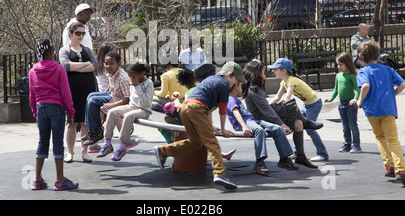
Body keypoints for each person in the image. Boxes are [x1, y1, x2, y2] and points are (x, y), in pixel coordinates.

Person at [154, 61, 246, 190]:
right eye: (236, 80)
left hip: (185, 108)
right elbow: (222, 110)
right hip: (196, 108)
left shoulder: (211, 80)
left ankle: (165, 151)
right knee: (212, 142)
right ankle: (220, 173)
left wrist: (210, 126)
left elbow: (206, 108)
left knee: (196, 141)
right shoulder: (224, 85)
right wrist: (224, 128)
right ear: (230, 75)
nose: (235, 84)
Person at [243, 60, 320, 169]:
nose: (265, 75)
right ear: (257, 74)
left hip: (266, 115)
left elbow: (267, 105)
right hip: (262, 118)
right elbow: (266, 110)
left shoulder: (257, 87)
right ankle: (306, 122)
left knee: (298, 123)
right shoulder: (254, 89)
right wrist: (281, 124)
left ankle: (301, 156)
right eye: (263, 73)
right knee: (292, 104)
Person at [29, 39, 78, 191]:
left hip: (41, 107)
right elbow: (66, 93)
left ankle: (37, 179)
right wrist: (70, 112)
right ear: (50, 52)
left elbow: (32, 96)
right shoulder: (58, 69)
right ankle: (60, 179)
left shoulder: (32, 71)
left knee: (42, 141)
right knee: (57, 142)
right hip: (56, 107)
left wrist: (36, 114)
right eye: (53, 51)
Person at [356, 40, 405, 184]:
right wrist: (393, 94)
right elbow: (402, 84)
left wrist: (360, 101)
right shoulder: (388, 69)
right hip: (388, 108)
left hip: (372, 110)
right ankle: (400, 169)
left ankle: (389, 165)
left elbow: (365, 86)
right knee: (393, 139)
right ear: (377, 55)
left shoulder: (363, 71)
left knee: (380, 137)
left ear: (361, 58)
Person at [227, 80, 298, 174]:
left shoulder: (235, 99)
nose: (242, 89)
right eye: (241, 87)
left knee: (276, 128)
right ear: (236, 87)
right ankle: (260, 161)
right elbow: (236, 113)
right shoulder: (230, 99)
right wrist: (244, 126)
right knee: (259, 130)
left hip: (252, 121)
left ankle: (284, 158)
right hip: (244, 123)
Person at [269, 58, 329, 162]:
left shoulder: (292, 80)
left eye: (275, 69)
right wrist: (267, 106)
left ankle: (322, 154)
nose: (273, 71)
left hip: (314, 103)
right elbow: (277, 97)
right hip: (307, 104)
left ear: (283, 71)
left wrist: (280, 106)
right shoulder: (283, 82)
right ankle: (297, 152)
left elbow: (287, 97)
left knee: (310, 129)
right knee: (298, 125)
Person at [97, 62, 154, 161]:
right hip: (132, 106)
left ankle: (123, 146)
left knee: (128, 116)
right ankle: (107, 143)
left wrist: (137, 87)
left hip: (144, 110)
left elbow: (145, 103)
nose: (131, 79)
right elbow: (131, 99)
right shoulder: (132, 82)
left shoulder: (148, 84)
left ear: (142, 74)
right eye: (130, 76)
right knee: (112, 112)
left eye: (133, 77)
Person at [59, 22, 99, 163]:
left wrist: (75, 66)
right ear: (70, 33)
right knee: (71, 122)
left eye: (83, 33)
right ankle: (70, 153)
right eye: (78, 33)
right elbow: (65, 66)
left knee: (85, 122)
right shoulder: (64, 50)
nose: (81, 36)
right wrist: (85, 65)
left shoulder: (87, 50)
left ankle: (84, 152)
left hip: (88, 90)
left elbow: (94, 66)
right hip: (72, 90)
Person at [82, 51, 131, 146]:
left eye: (111, 63)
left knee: (93, 101)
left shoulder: (122, 78)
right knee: (90, 95)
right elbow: (111, 86)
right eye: (106, 64)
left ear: (119, 64)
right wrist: (103, 93)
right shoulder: (113, 73)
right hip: (113, 95)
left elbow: (126, 99)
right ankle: (91, 130)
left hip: (119, 100)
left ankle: (97, 131)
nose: (108, 66)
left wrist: (111, 105)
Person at [325, 52, 361, 153]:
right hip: (341, 104)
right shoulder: (338, 76)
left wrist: (355, 99)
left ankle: (356, 145)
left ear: (347, 64)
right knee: (345, 126)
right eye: (337, 64)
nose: (338, 66)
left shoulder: (352, 76)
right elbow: (336, 89)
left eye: (341, 64)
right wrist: (331, 98)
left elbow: (358, 89)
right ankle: (347, 144)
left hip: (350, 104)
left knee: (352, 125)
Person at [85, 43, 118, 153]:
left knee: (100, 117)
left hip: (101, 92)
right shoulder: (107, 67)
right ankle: (126, 138)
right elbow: (112, 80)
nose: (115, 54)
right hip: (107, 93)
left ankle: (93, 143)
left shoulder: (99, 65)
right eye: (113, 52)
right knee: (115, 114)